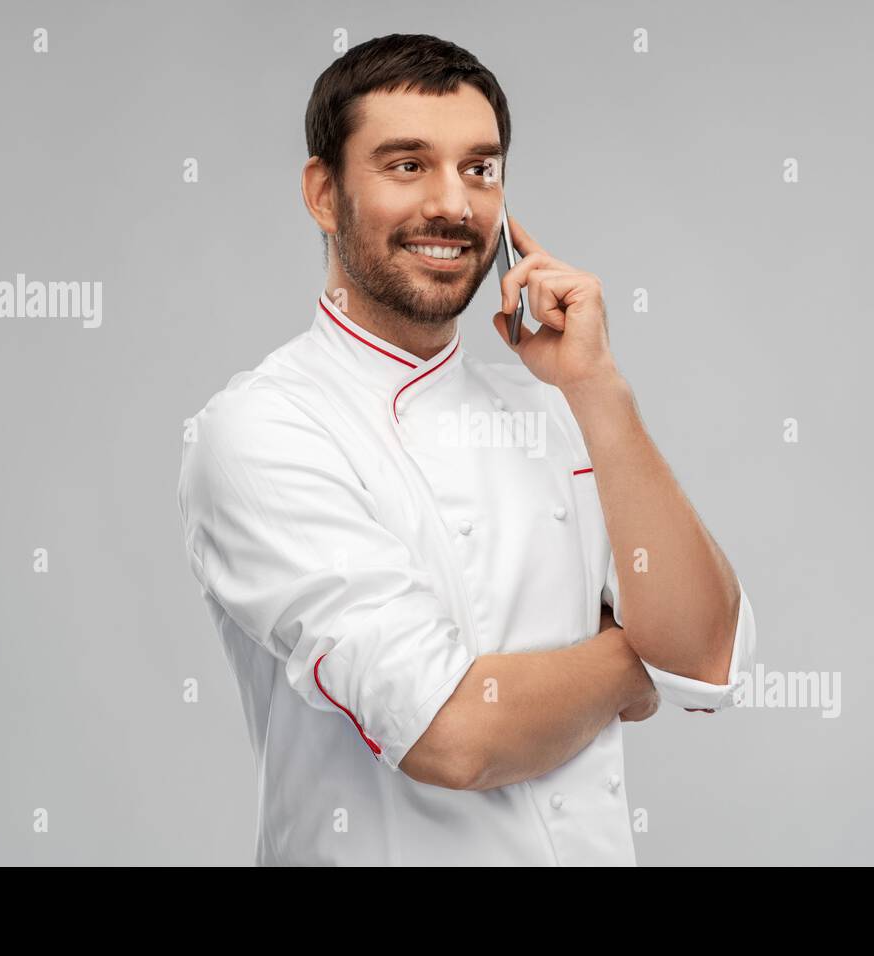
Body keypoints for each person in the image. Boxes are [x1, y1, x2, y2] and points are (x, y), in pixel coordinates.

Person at [176, 33, 756, 865]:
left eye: (479, 168)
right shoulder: (263, 430)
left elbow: (706, 659)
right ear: (323, 192)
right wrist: (636, 663)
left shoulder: (556, 405)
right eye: (407, 165)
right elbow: (454, 735)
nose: (452, 204)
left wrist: (598, 388)